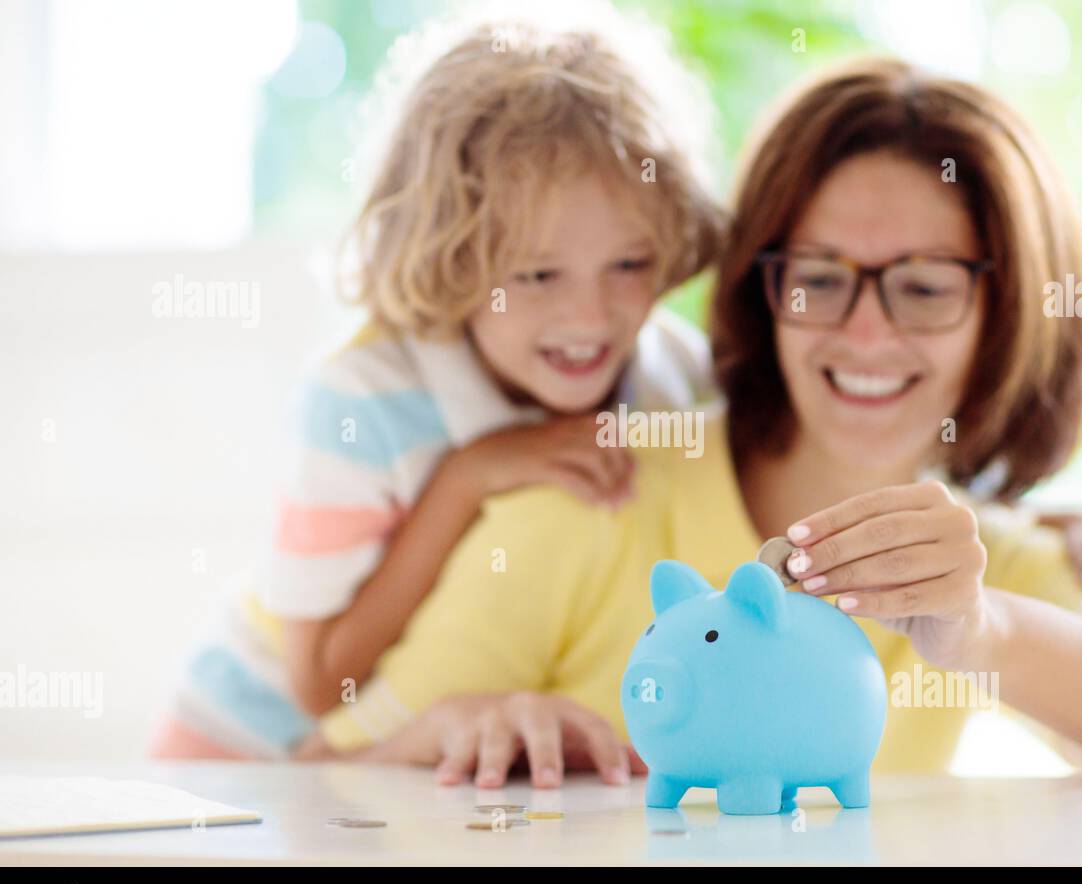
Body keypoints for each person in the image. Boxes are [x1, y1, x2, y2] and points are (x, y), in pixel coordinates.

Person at [293, 58, 1082, 785]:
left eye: (924, 286)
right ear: (762, 293)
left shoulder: (980, 571)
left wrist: (979, 629)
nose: (867, 330)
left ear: (999, 317)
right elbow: (305, 775)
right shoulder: (591, 494)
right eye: (819, 279)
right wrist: (453, 724)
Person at [150, 6, 724, 758]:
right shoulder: (364, 401)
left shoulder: (672, 374)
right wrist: (467, 478)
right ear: (454, 261)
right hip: (245, 754)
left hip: (432, 766)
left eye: (630, 264)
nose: (591, 315)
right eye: (537, 273)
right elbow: (323, 683)